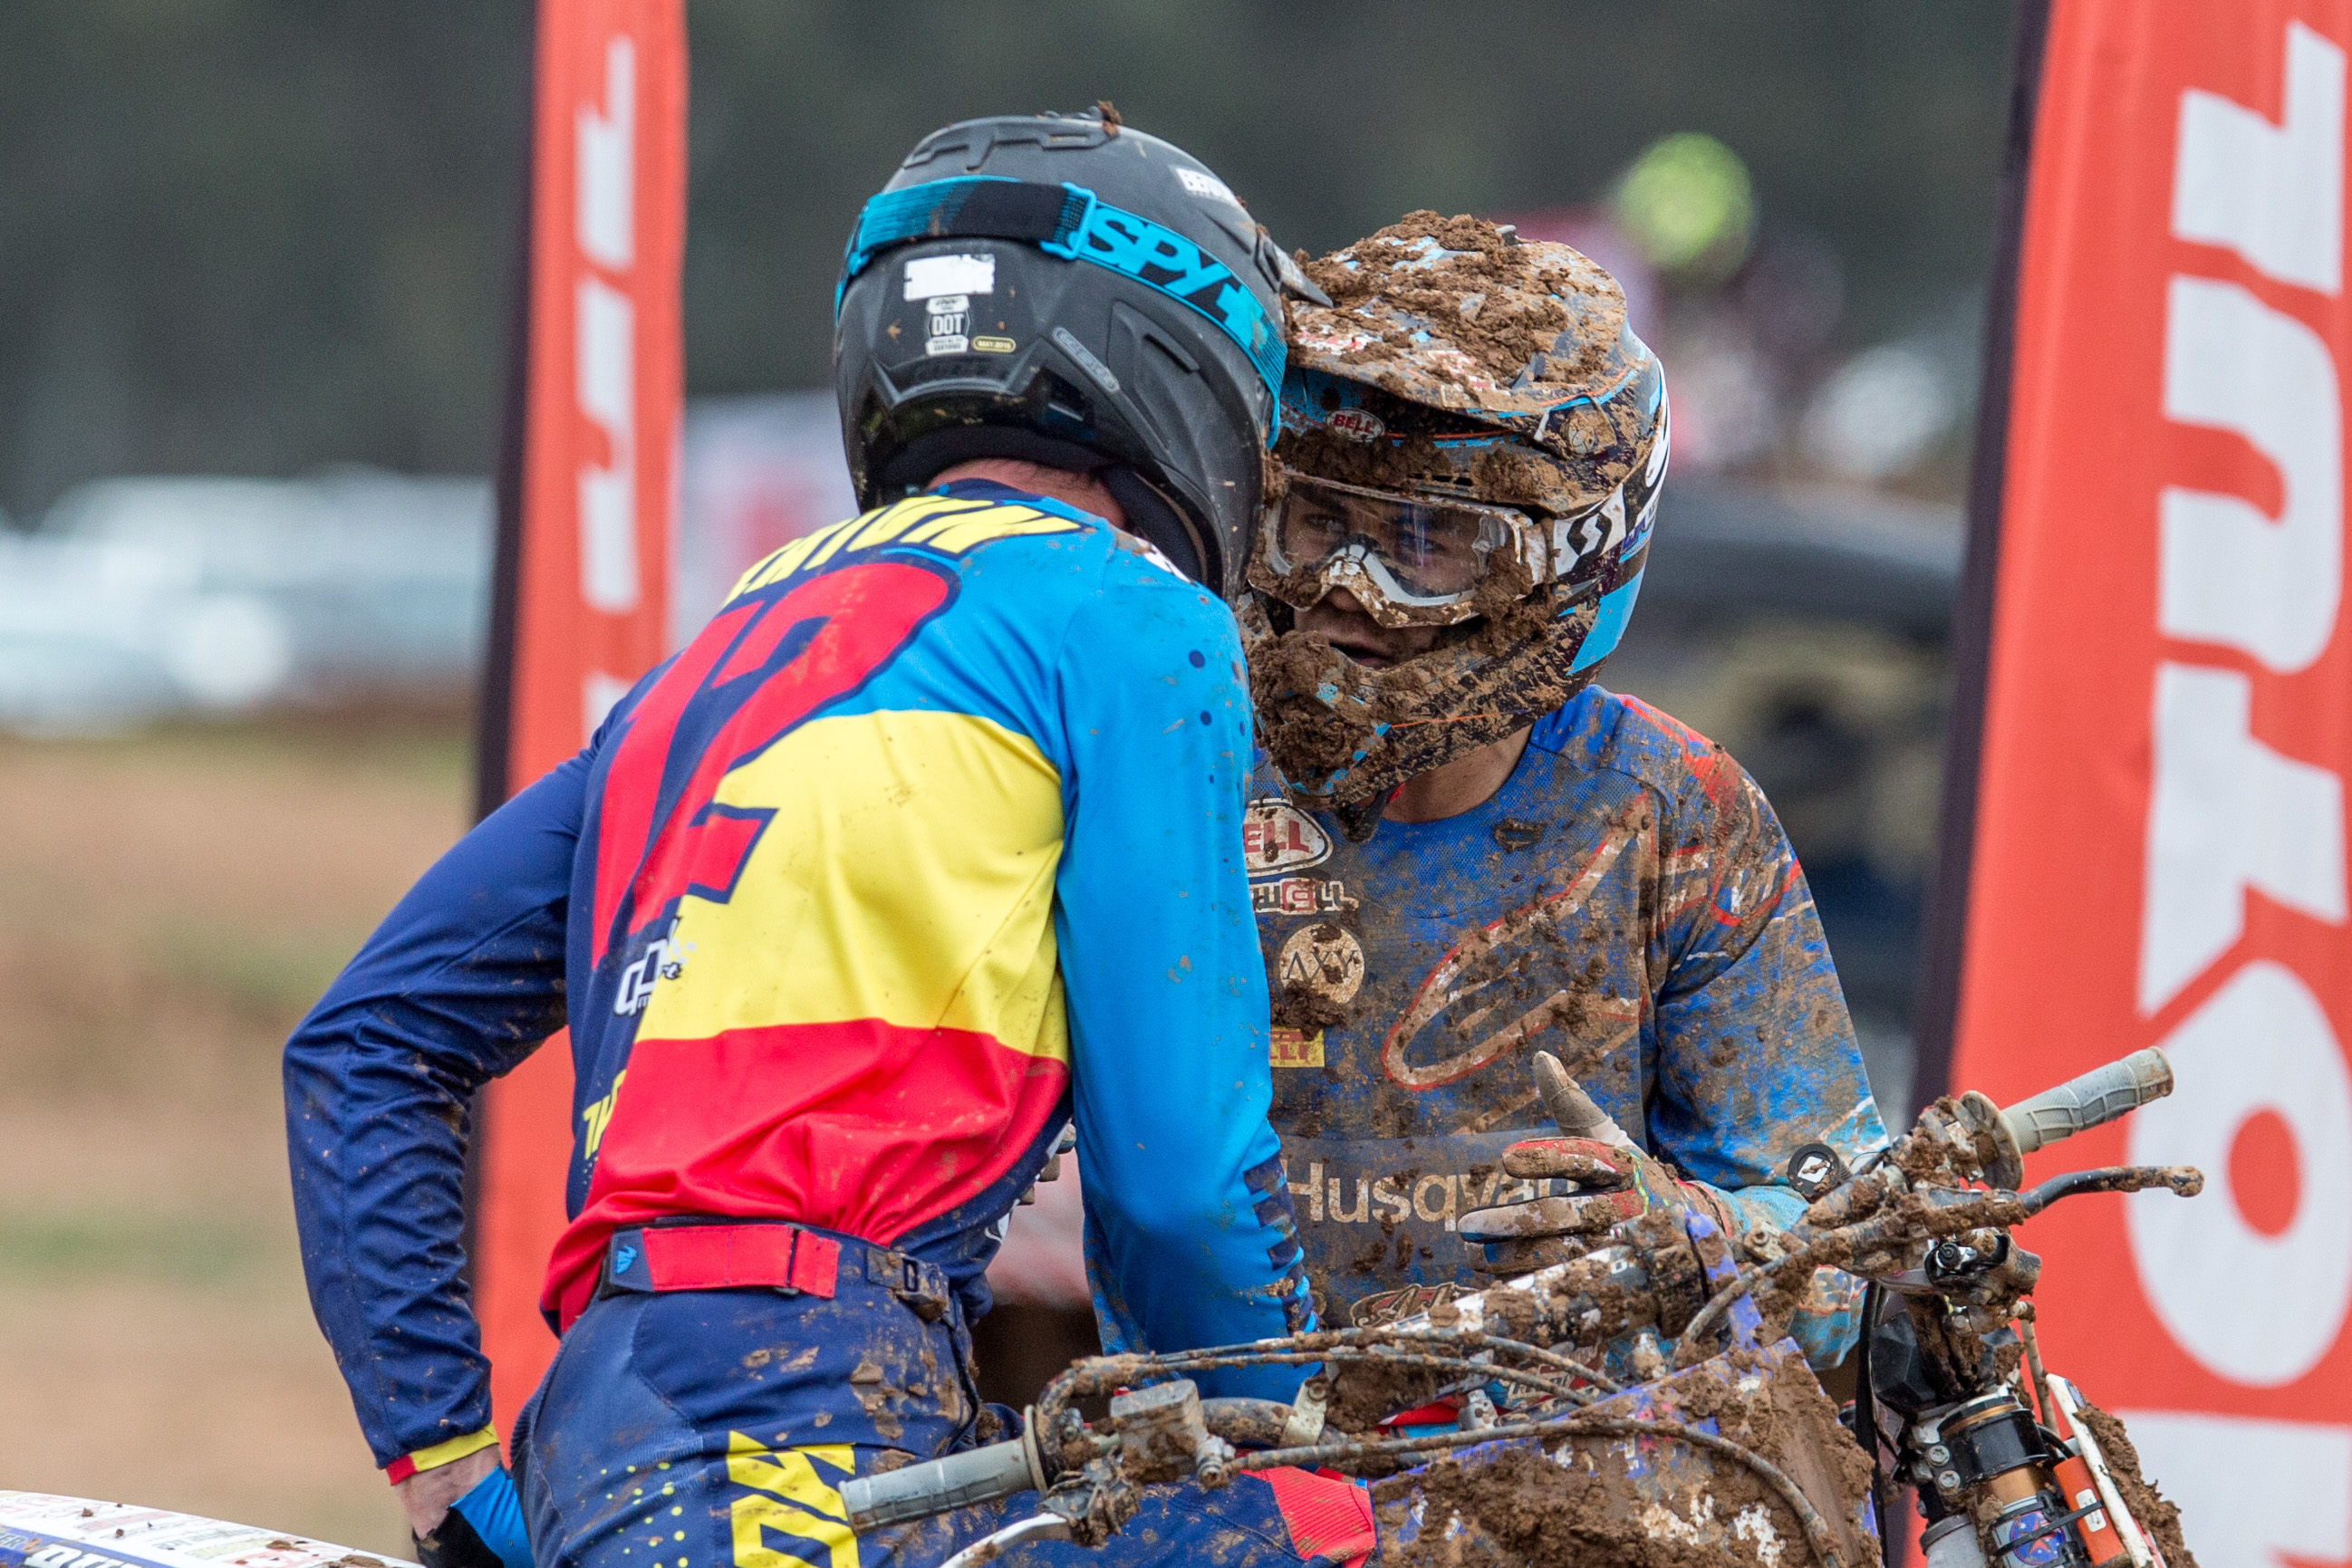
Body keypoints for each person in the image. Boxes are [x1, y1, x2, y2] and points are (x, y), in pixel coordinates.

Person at [283, 109, 1329, 1568]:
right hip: (805, 1392)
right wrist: (1288, 1442)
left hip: (615, 1407)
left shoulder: (717, 651)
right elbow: (1180, 1175)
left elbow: (365, 1042)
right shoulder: (1135, 618)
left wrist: (445, 1459)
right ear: (1188, 371)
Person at [1240, 213, 1890, 1361]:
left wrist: (1689, 1235)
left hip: (1574, 1456)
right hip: (1228, 1445)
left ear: (1567, 560)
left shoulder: (1673, 814)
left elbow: (1845, 1241)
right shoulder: (1189, 770)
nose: (1348, 587)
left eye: (1425, 540)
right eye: (1318, 521)